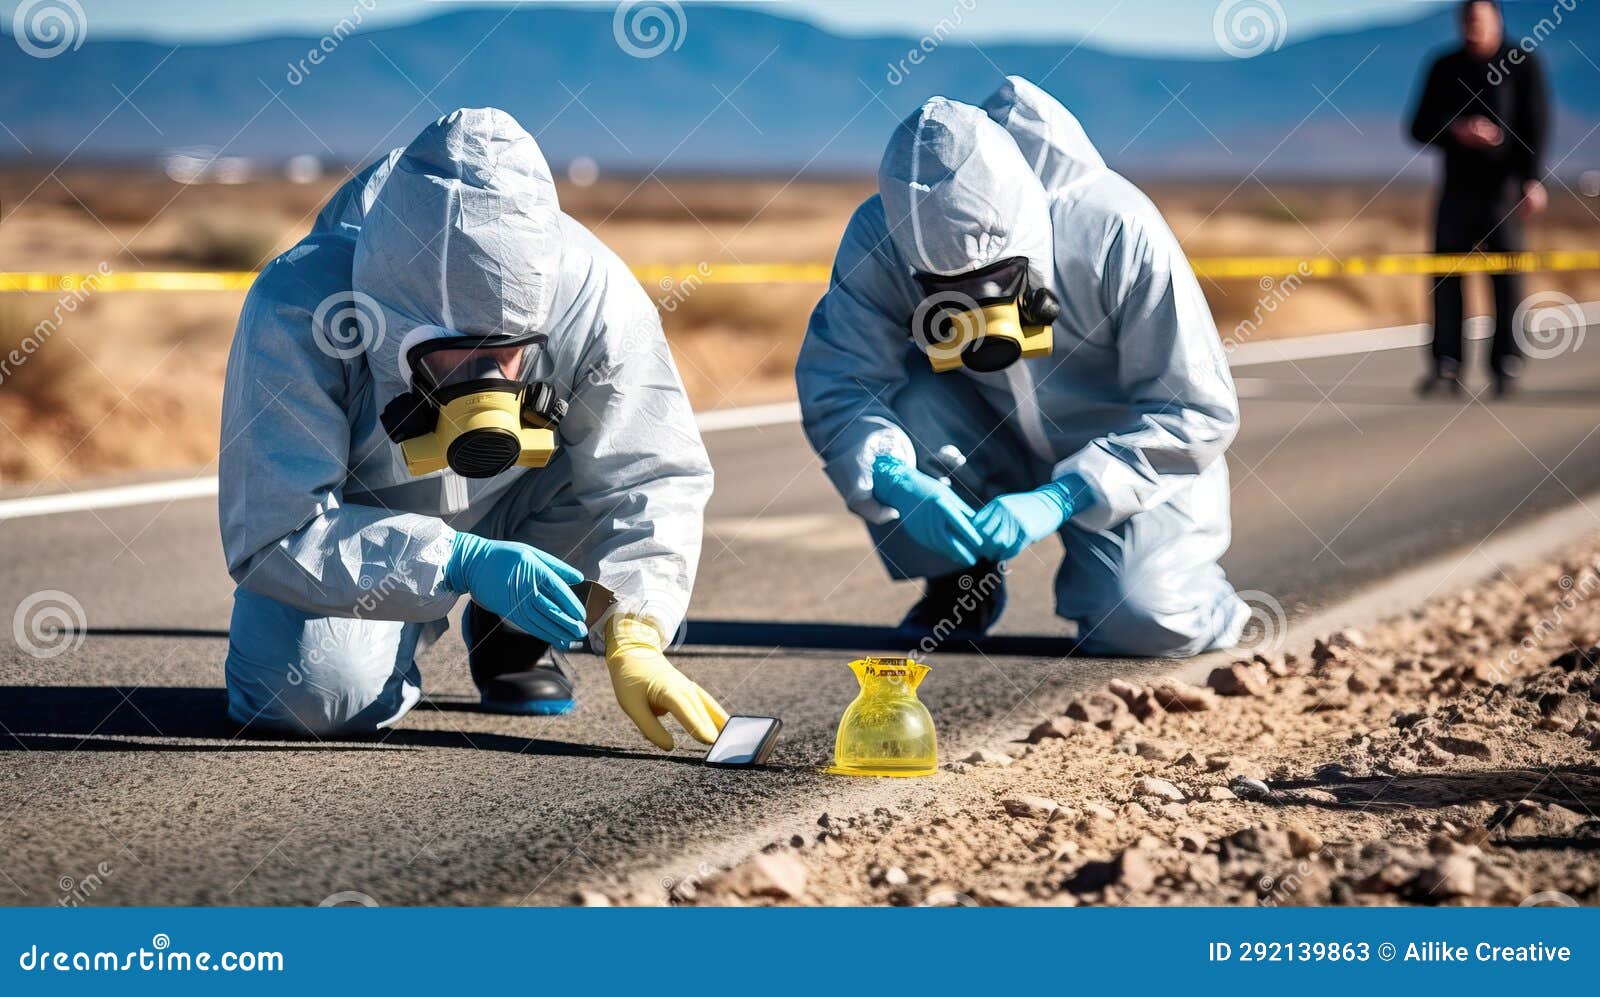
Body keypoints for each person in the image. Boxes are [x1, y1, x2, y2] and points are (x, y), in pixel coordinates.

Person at [219, 108, 727, 750]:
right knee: (314, 698)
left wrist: (636, 629)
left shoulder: (596, 299)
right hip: (368, 520)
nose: (484, 379)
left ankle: (514, 625)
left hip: (527, 498)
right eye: (451, 350)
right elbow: (277, 529)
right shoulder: (301, 306)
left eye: (506, 350)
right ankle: (418, 614)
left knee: (606, 465)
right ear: (390, 322)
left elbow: (652, 476)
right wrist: (455, 559)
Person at [795, 76, 1247, 658]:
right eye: (946, 294)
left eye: (998, 283)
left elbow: (1195, 409)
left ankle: (1205, 602)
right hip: (984, 430)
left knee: (1146, 621)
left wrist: (1064, 496)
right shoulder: (878, 236)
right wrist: (893, 479)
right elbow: (842, 378)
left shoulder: (1116, 227)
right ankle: (960, 577)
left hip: (1127, 455)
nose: (981, 312)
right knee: (903, 400)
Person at [1408, 0, 1549, 397]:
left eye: (1481, 20)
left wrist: (1532, 179)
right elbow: (1417, 127)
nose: (1474, 27)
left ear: (1497, 21)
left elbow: (1537, 124)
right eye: (1468, 20)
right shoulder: (1444, 66)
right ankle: (1446, 365)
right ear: (1460, 23)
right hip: (1455, 191)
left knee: (1506, 277)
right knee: (1446, 277)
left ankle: (1506, 362)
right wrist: (1457, 130)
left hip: (1504, 193)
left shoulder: (1522, 63)